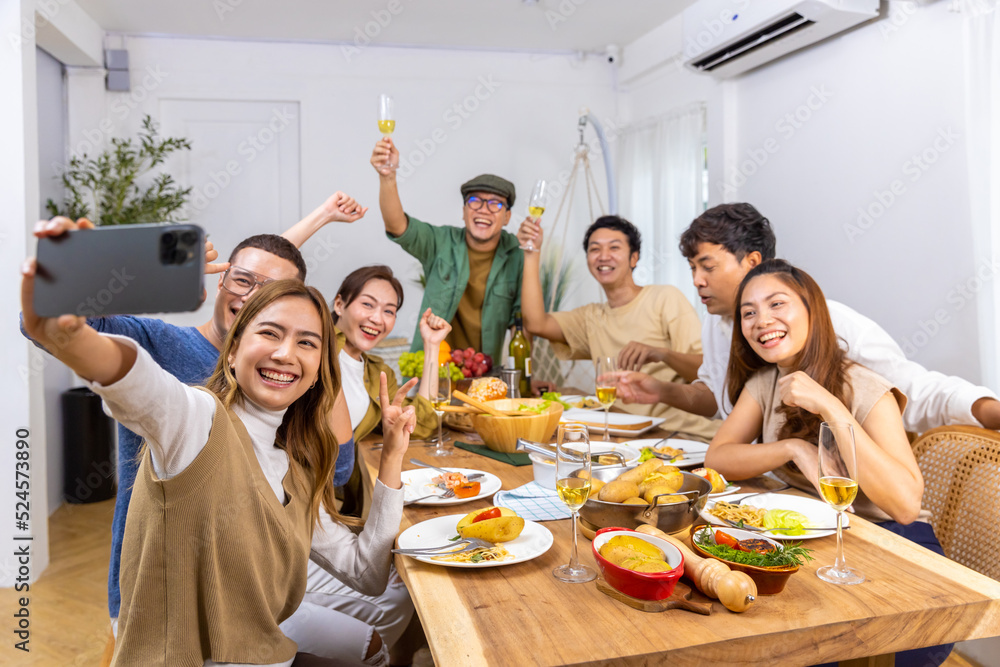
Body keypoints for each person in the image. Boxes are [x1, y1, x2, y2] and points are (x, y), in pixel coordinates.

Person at [25, 195, 416, 663]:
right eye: (268, 333)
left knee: (378, 632)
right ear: (233, 349)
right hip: (168, 599)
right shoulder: (195, 416)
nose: (285, 352)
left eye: (307, 343)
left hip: (253, 605)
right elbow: (119, 368)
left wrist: (392, 454)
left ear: (319, 368)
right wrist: (72, 305)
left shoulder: (291, 463)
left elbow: (364, 569)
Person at [706, 259, 950, 667]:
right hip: (821, 541)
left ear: (812, 310)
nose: (761, 320)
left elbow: (906, 506)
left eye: (777, 304)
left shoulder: (865, 387)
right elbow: (720, 456)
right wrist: (795, 450)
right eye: (748, 312)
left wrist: (830, 405)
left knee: (807, 648)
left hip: (893, 545)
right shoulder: (766, 382)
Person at [613, 203, 1000, 433]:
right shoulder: (721, 326)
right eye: (692, 268)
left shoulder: (831, 321)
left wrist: (988, 410)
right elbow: (718, 399)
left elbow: (916, 392)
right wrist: (661, 391)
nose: (697, 280)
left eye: (707, 266)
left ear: (751, 263)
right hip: (767, 488)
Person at [517, 214, 718, 440]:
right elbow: (535, 323)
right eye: (595, 249)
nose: (603, 256)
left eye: (614, 247)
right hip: (627, 436)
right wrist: (531, 252)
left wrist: (661, 354)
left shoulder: (665, 298)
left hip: (684, 436)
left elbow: (707, 373)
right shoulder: (591, 316)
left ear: (634, 258)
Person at [369, 138, 532, 377]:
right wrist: (387, 176)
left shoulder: (517, 255)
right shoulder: (441, 242)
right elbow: (398, 226)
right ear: (464, 211)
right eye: (475, 201)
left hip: (484, 378)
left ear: (507, 217)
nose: (484, 209)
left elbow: (524, 326)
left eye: (495, 204)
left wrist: (528, 379)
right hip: (430, 372)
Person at [330, 265, 444, 517]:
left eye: (389, 311)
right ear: (340, 304)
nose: (377, 319)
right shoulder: (314, 343)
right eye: (368, 305)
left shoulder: (377, 373)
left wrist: (432, 345)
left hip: (330, 499)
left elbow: (422, 423)